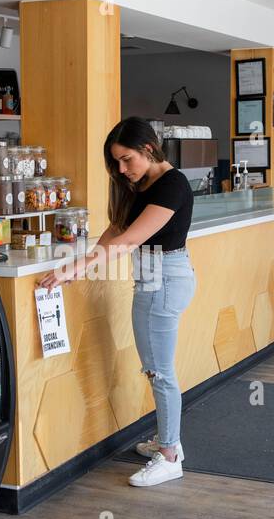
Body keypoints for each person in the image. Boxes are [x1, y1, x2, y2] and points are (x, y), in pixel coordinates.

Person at [36, 117, 195, 487]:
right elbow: (119, 228)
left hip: (164, 280)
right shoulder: (144, 182)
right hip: (155, 277)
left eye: (127, 160)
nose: (122, 169)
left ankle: (170, 455)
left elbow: (129, 241)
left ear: (149, 149)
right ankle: (168, 441)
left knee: (159, 371)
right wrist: (86, 258)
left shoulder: (172, 185)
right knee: (155, 367)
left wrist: (78, 267)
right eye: (117, 163)